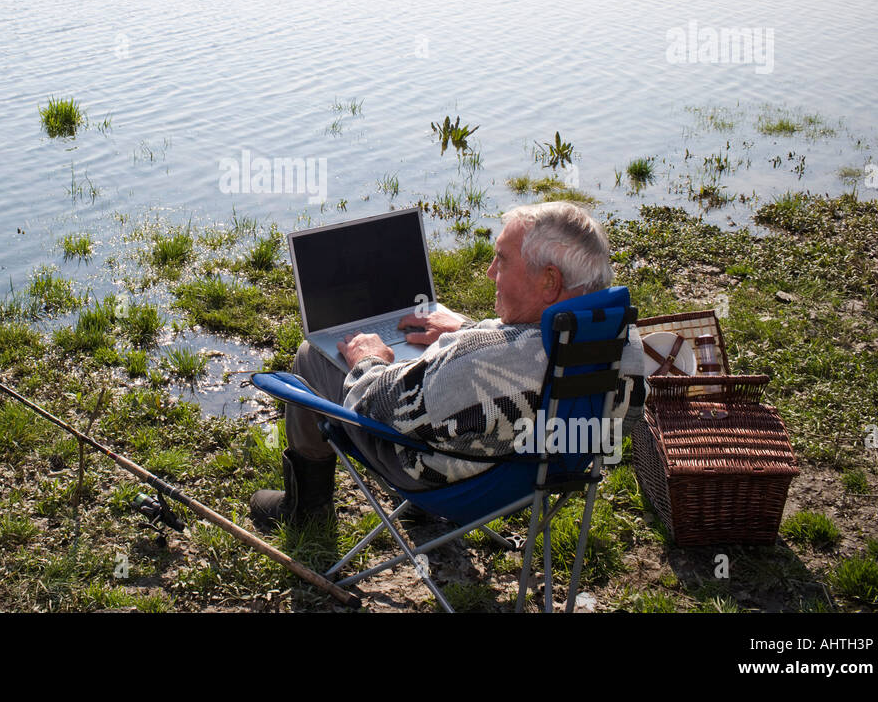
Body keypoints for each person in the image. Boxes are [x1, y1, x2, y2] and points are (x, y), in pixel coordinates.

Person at [250, 200, 644, 526]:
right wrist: (468, 332)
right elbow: (522, 364)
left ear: (549, 281)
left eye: (502, 261)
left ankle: (304, 510)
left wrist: (369, 358)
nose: (490, 273)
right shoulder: (624, 345)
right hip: (534, 474)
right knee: (427, 352)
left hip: (448, 479)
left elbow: (379, 404)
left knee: (311, 355)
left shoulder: (478, 364)